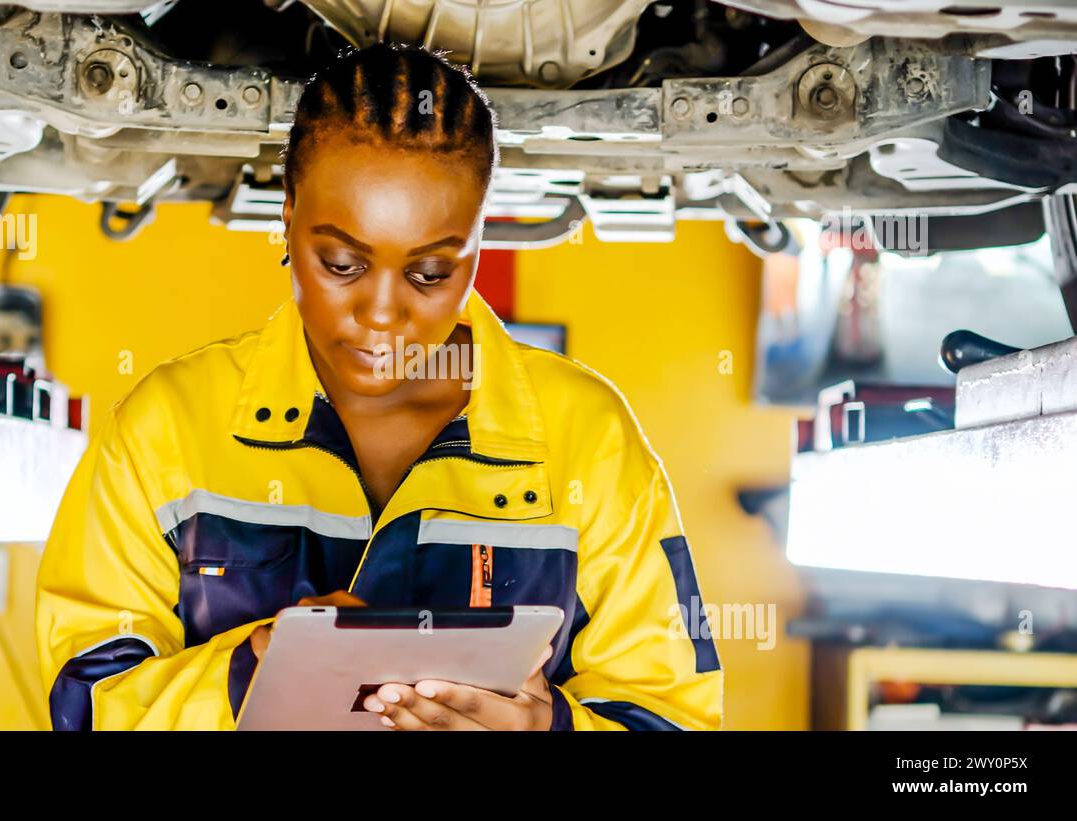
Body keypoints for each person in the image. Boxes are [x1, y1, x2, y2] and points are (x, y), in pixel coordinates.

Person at [36, 41, 723, 731]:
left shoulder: (589, 437)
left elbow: (676, 716)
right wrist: (245, 679)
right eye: (341, 263)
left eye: (431, 273)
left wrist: (549, 728)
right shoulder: (165, 427)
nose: (384, 313)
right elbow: (85, 704)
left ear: (480, 246)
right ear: (287, 215)